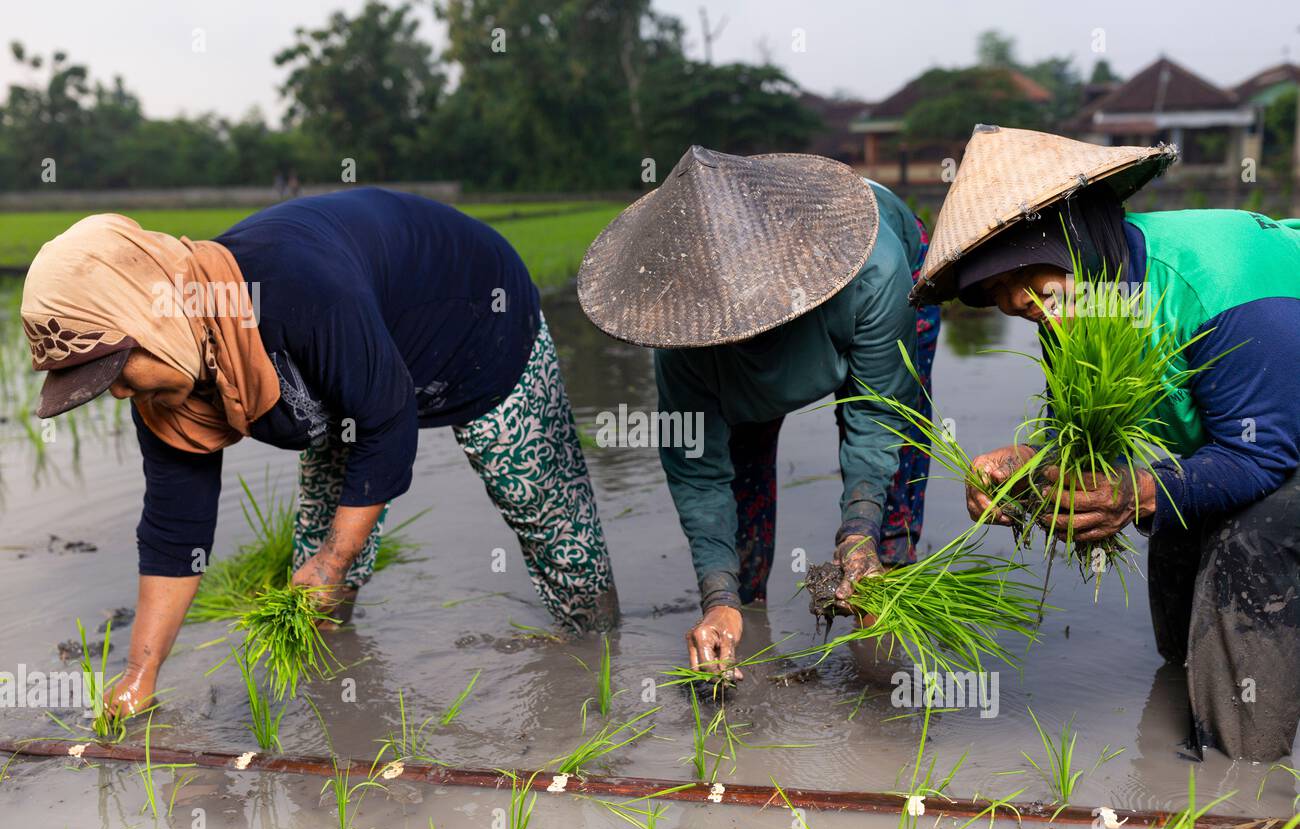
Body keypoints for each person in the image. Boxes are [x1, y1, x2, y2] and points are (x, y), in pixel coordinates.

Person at [22, 187, 619, 715]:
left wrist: (335, 562)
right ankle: (342, 701)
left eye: (119, 369)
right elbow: (176, 530)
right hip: (357, 365)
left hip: (473, 310)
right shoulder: (171, 378)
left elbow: (387, 422)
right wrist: (138, 677)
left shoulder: (299, 290)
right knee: (319, 555)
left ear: (150, 318)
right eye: (103, 384)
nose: (121, 391)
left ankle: (604, 652)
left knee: (544, 509)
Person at [912, 125, 1300, 761]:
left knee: (1249, 540)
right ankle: (1178, 740)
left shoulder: (1222, 285)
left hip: (1282, 437)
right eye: (1008, 305)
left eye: (1031, 285)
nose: (1028, 309)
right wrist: (1027, 470)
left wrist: (1136, 493)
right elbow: (1096, 441)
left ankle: (1241, 790)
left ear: (1077, 235)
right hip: (1254, 438)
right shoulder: (1077, 305)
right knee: (1176, 529)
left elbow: (1261, 454)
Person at [578, 146, 939, 677]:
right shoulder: (685, 340)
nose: (746, 328)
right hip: (740, 369)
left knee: (895, 473)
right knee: (741, 500)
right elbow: (700, 473)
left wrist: (858, 530)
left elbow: (878, 417)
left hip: (891, 280)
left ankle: (882, 634)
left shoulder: (876, 273)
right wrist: (718, 597)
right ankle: (741, 626)